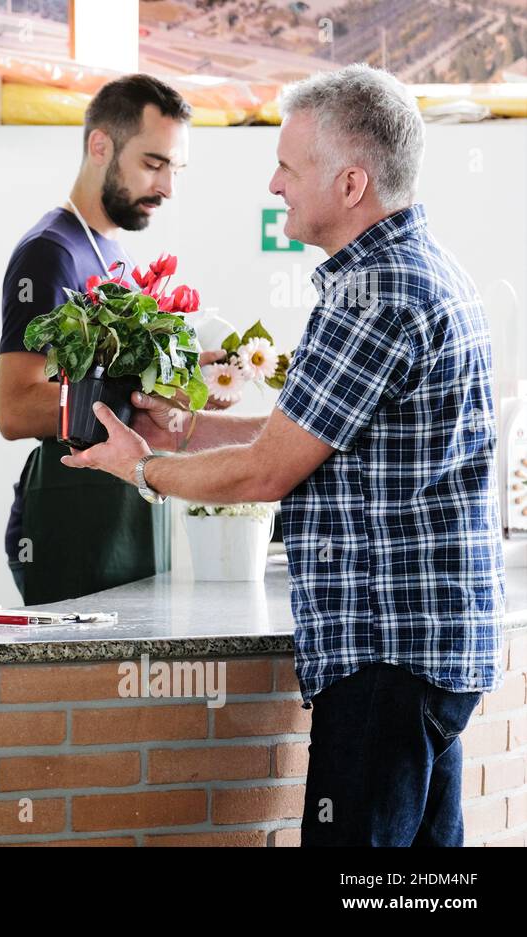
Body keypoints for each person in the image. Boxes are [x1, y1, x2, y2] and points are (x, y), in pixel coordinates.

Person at [62, 64, 505, 846]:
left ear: (350, 183)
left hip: (385, 653)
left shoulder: (377, 293)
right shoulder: (413, 271)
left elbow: (268, 471)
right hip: (426, 653)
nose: (273, 184)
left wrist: (139, 467)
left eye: (289, 167)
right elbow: (309, 433)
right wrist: (184, 432)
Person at [0, 74, 191, 604]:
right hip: (67, 516)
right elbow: (12, 408)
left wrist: (187, 383)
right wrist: (137, 397)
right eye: (153, 164)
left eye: (175, 168)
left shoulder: (113, 254)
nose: (168, 186)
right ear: (99, 146)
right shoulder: (49, 252)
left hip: (115, 512)